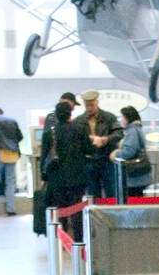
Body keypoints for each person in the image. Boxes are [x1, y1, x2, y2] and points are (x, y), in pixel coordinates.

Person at [43, 98, 93, 242]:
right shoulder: (80, 129)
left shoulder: (49, 133)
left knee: (61, 209)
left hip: (57, 177)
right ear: (70, 113)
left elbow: (45, 156)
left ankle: (63, 238)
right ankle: (79, 238)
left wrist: (44, 177)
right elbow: (88, 149)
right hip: (77, 176)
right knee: (77, 208)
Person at [75, 89, 121, 198]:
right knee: (93, 195)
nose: (89, 108)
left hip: (106, 160)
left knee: (111, 192)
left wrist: (105, 139)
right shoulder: (78, 121)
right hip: (89, 162)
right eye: (87, 106)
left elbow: (119, 133)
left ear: (97, 103)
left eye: (92, 105)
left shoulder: (109, 117)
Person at [0, 106, 23, 216]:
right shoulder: (12, 121)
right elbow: (20, 136)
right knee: (10, 181)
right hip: (12, 152)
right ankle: (11, 209)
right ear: (2, 113)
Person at [111, 106, 152, 198]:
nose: (121, 120)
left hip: (134, 177)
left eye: (122, 117)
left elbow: (129, 151)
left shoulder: (131, 131)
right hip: (141, 175)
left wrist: (116, 154)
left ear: (127, 118)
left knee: (133, 201)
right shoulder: (138, 129)